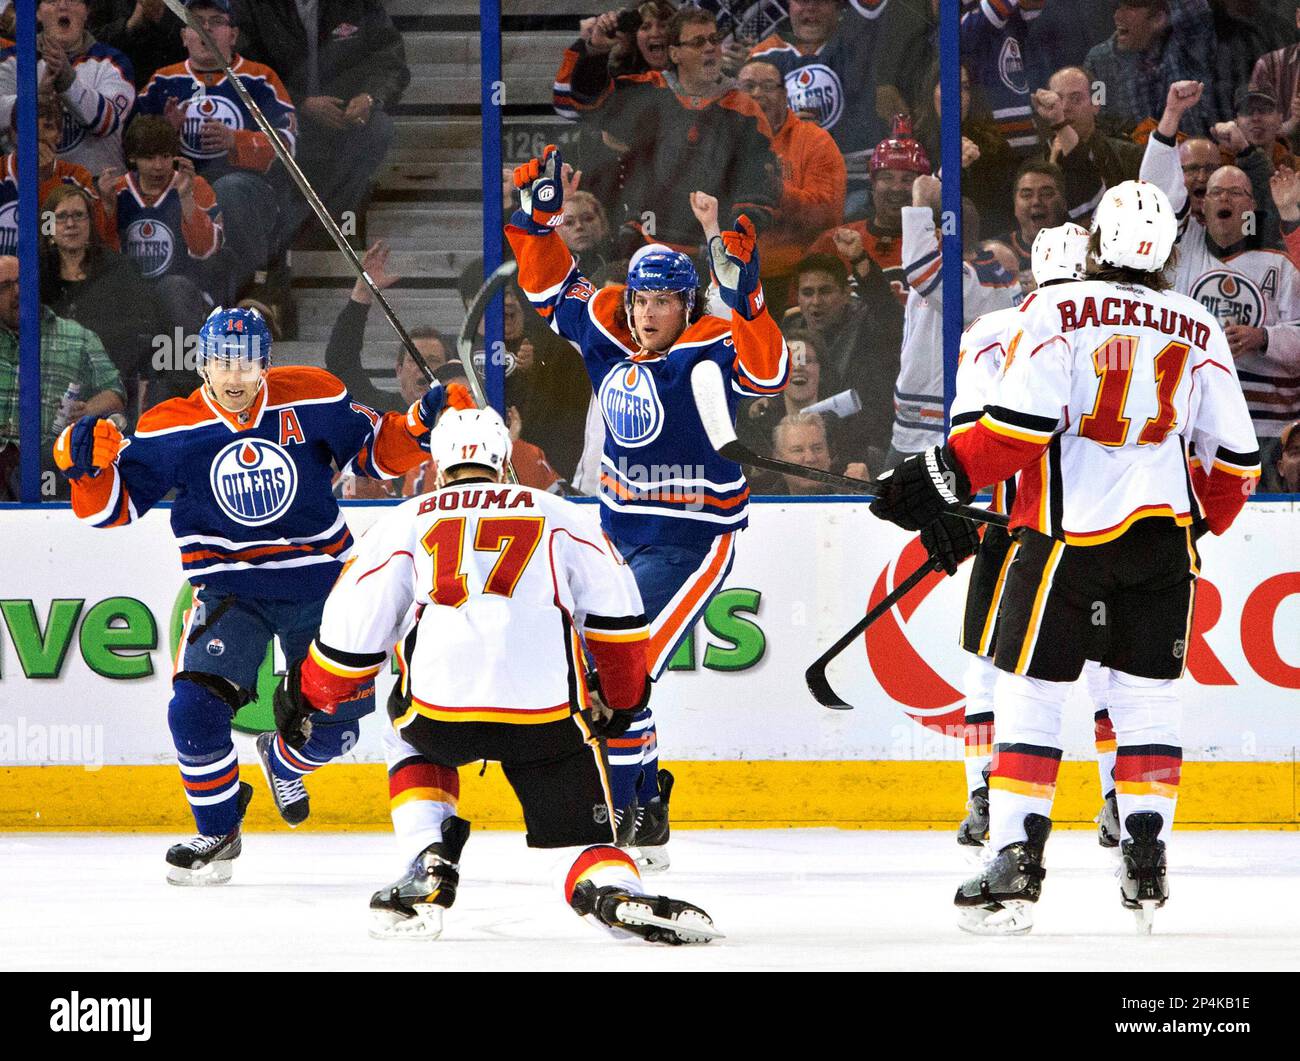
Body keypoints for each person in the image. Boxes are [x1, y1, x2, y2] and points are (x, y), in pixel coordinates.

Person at [869, 180, 1261, 934]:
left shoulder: (1057, 308)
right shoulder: (1199, 323)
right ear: (1167, 249)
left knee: (1032, 695)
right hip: (1161, 545)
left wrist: (931, 478)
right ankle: (1146, 853)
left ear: (1098, 241)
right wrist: (1193, 531)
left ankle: (1017, 857)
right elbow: (1238, 461)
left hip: (1063, 540)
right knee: (1147, 699)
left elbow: (1012, 432)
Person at [270, 406, 720, 945]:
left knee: (405, 736)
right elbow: (620, 624)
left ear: (437, 468)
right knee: (579, 832)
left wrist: (310, 690)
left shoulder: (405, 521)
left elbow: (351, 643)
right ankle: (612, 887)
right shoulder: (561, 514)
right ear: (503, 461)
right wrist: (622, 701)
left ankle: (427, 860)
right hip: (549, 719)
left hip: (439, 715)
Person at [52, 305, 464, 883]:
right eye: (224, 361)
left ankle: (282, 756)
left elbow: (378, 452)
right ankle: (218, 830)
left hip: (320, 584)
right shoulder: (172, 425)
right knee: (192, 710)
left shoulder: (314, 395)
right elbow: (114, 509)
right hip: (228, 590)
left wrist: (419, 426)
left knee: (337, 730)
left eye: (247, 363)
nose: (236, 376)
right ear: (203, 365)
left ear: (265, 364)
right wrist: (87, 472)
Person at [506, 146, 788, 868]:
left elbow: (769, 369)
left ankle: (634, 808)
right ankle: (641, 809)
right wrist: (536, 223)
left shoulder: (713, 341)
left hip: (692, 542)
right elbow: (551, 292)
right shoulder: (608, 327)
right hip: (616, 537)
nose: (647, 311)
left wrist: (750, 298)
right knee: (588, 671)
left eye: (662, 299)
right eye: (639, 297)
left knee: (614, 673)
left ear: (687, 303)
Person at [940, 223, 1120, 851]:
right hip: (1104, 526)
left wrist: (954, 505)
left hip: (1018, 527)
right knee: (1110, 669)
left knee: (993, 667)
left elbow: (972, 439)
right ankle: (1118, 796)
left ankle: (986, 791)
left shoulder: (991, 333)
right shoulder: (1124, 328)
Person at [1141, 81, 1300, 468]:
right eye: (1215, 193)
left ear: (1252, 205)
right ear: (1202, 205)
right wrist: (1171, 116)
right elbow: (1156, 193)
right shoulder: (1181, 250)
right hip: (1196, 424)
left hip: (1269, 430)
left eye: (1236, 193)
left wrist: (1262, 337)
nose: (1224, 199)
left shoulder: (1279, 264)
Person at [135, 0, 296, 299]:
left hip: (249, 188)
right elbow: (130, 145)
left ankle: (249, 295)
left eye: (216, 21)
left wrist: (237, 141)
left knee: (229, 190)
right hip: (179, 187)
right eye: (196, 22)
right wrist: (164, 133)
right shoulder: (162, 82)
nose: (206, 29)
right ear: (184, 35)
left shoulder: (260, 79)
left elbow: (288, 144)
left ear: (233, 34)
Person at [588, 6, 778, 255]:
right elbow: (590, 100)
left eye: (714, 40)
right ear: (675, 54)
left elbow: (758, 187)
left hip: (714, 253)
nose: (710, 48)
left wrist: (733, 242)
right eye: (698, 42)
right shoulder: (649, 92)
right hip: (646, 245)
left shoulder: (745, 109)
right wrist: (596, 51)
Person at [232, 0, 409, 247]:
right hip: (282, 119)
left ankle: (334, 224)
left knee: (379, 128)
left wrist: (370, 97)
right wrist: (300, 104)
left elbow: (390, 59)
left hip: (343, 117)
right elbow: (243, 71)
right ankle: (287, 233)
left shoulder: (359, 5)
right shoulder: (255, 7)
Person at [889, 172, 1020, 466]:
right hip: (918, 425)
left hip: (944, 430)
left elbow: (919, 268)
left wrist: (920, 203)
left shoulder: (971, 279)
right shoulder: (980, 271)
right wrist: (941, 175)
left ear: (938, 234)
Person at [100, 114, 223, 405]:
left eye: (166, 156)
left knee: (173, 289)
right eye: (148, 157)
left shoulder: (194, 185)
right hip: (131, 296)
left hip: (186, 294)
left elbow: (206, 250)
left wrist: (187, 198)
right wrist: (105, 206)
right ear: (132, 158)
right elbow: (102, 258)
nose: (158, 166)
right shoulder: (116, 190)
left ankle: (189, 391)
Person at [749, 0, 896, 217]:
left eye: (820, 1)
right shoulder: (763, 57)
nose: (811, 8)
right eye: (802, 1)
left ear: (838, 6)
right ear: (789, 5)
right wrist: (787, 129)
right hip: (793, 184)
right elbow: (748, 133)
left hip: (857, 184)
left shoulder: (860, 41)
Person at [0, 254, 125, 499]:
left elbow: (115, 393)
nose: (17, 292)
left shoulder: (78, 337)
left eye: (22, 282)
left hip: (49, 465)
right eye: (5, 286)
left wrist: (89, 409)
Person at [40, 183, 164, 422]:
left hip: (109, 380)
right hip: (50, 380)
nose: (70, 224)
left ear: (90, 223)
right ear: (49, 225)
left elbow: (144, 328)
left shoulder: (117, 269)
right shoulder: (37, 273)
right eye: (62, 217)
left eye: (79, 216)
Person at [737, 57, 845, 315]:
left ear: (784, 94)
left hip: (792, 280)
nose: (757, 94)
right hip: (730, 277)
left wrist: (779, 194)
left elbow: (828, 213)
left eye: (767, 86)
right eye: (748, 86)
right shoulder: (719, 141)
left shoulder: (815, 140)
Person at [0, 0, 136, 174]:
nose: (63, 6)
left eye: (72, 0)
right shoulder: (10, 60)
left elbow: (106, 123)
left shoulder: (113, 62)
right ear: (38, 14)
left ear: (87, 12)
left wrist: (67, 80)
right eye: (52, 1)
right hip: (27, 188)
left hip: (98, 188)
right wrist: (37, 98)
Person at [809, 115, 931, 302]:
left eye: (907, 179)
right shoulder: (833, 243)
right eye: (887, 178)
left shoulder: (935, 245)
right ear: (873, 183)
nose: (896, 188)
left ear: (922, 186)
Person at [0, 93, 112, 258]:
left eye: (47, 126)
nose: (38, 136)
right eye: (29, 127)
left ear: (59, 135)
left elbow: (90, 240)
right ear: (13, 135)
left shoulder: (77, 178)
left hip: (54, 276)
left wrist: (47, 181)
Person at [1083, 0, 1215, 136]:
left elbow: (1196, 10)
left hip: (1190, 153)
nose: (1117, 16)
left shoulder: (1185, 46)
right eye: (1118, 8)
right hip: (1131, 154)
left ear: (1158, 19)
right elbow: (1095, 119)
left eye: (1129, 9)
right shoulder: (1098, 61)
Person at [1030, 66, 1143, 220]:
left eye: (1075, 98)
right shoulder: (1034, 167)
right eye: (1056, 100)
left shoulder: (1131, 156)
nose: (1064, 107)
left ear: (1095, 104)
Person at [992, 160, 1068, 281]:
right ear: (1015, 205)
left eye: (1046, 194)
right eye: (1027, 195)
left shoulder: (1084, 248)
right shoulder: (995, 253)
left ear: (1063, 203)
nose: (1036, 201)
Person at [89, 0, 186, 87]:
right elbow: (91, 41)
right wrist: (129, 25)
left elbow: (194, 37)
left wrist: (161, 17)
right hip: (118, 81)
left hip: (170, 80)